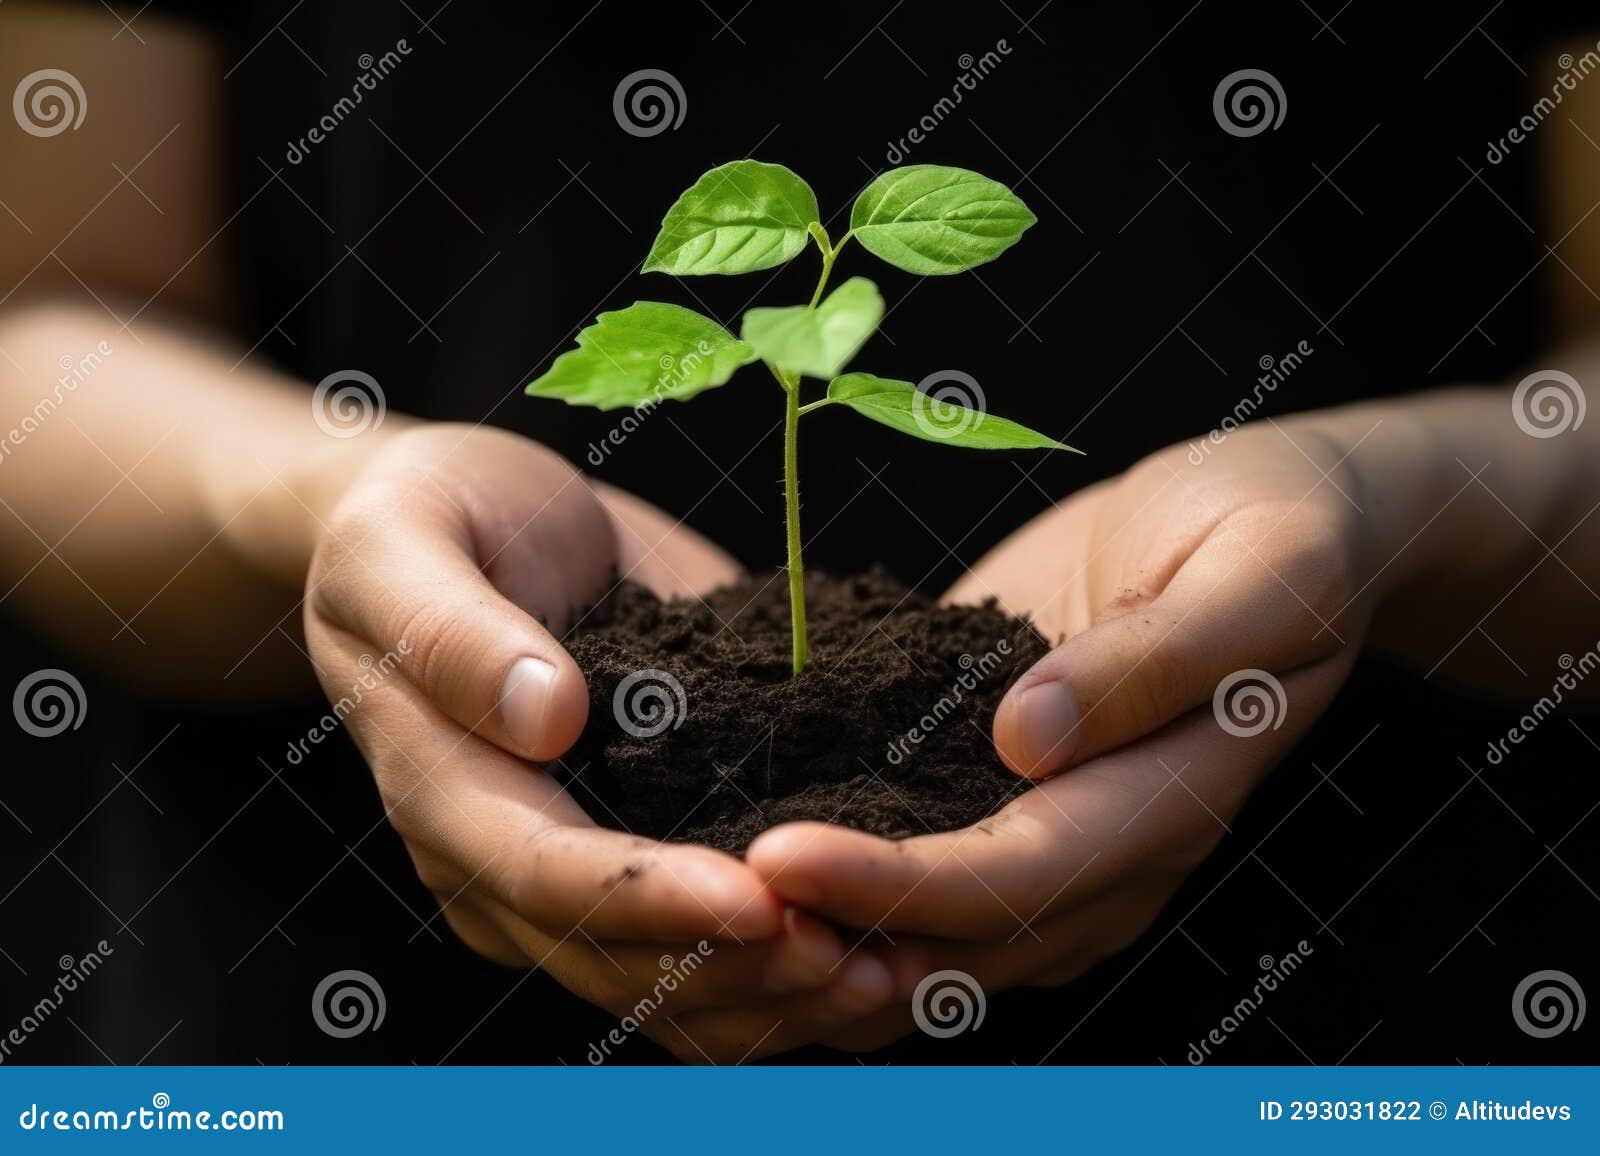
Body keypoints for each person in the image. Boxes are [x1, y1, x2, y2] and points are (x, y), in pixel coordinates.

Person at [2, 2, 1596, 1063]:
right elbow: (47, 317)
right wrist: (326, 507)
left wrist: (1393, 511)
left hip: (1355, 1000)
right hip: (347, 1029)